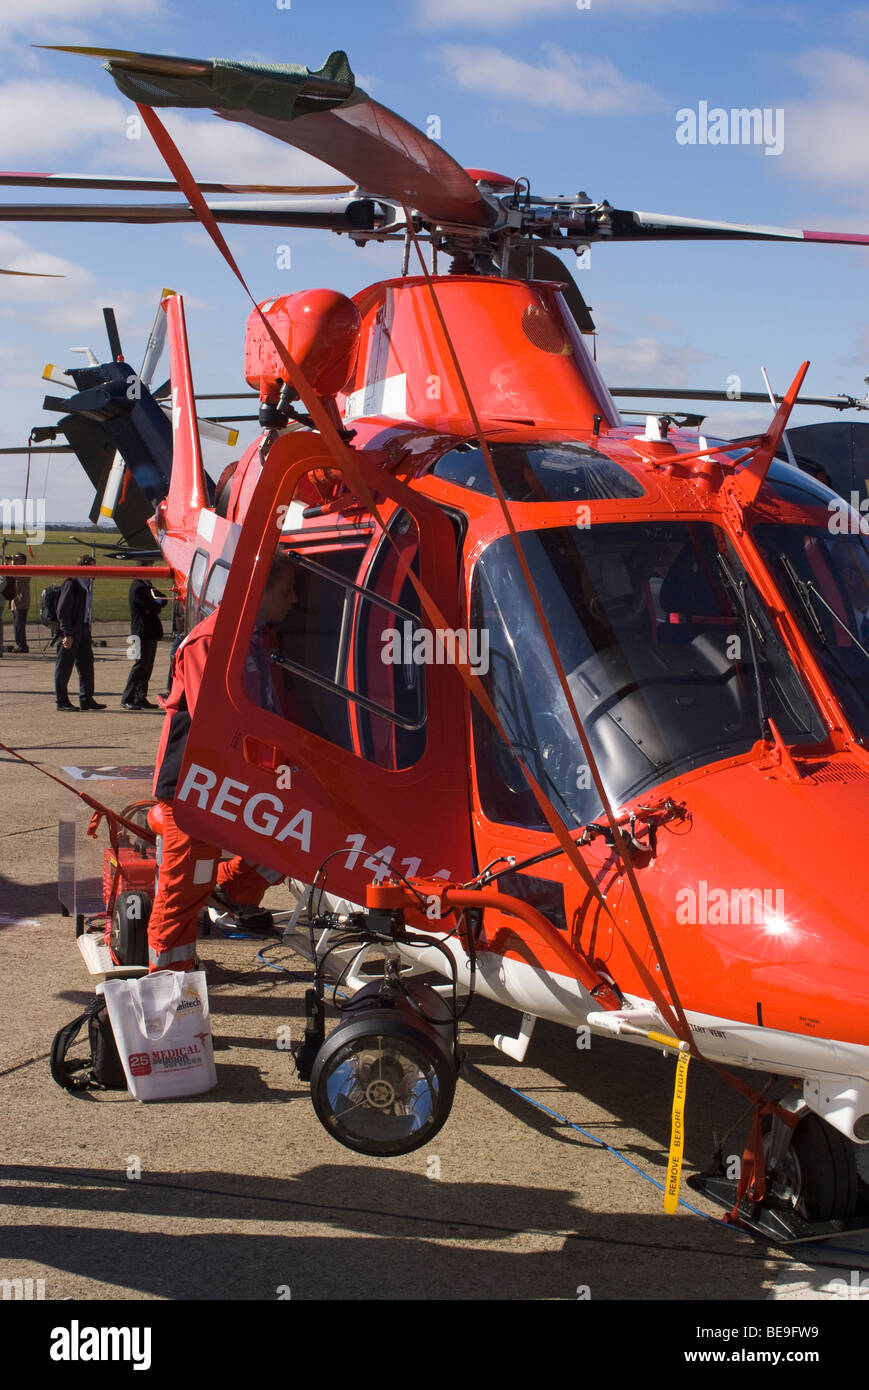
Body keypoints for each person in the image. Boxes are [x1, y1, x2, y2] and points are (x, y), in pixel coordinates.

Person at [146, 553, 297, 972]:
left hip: (243, 778)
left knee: (288, 847)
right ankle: (169, 984)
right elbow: (219, 725)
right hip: (194, 787)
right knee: (183, 889)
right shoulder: (211, 642)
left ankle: (230, 890)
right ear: (261, 591)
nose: (295, 599)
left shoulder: (262, 639)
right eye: (287, 590)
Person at [54, 555, 106, 711]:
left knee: (86, 666)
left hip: (83, 629)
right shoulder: (72, 584)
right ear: (82, 567)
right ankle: (61, 701)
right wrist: (67, 633)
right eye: (91, 567)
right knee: (64, 667)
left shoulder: (86, 584)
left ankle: (86, 698)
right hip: (71, 631)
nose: (94, 571)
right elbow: (62, 611)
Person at [121, 575, 167, 710]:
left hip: (150, 631)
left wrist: (155, 604)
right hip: (142, 631)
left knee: (147, 666)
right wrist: (155, 605)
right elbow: (152, 606)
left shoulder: (147, 586)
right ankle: (127, 697)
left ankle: (140, 696)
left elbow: (162, 600)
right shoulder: (139, 587)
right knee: (140, 665)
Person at [10, 553, 30, 652]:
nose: (15, 560)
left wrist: (11, 564)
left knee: (19, 625)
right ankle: (20, 644)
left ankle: (22, 646)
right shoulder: (15, 568)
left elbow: (15, 575)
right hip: (15, 601)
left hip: (22, 600)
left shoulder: (26, 570)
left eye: (17, 558)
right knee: (16, 624)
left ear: (23, 560)